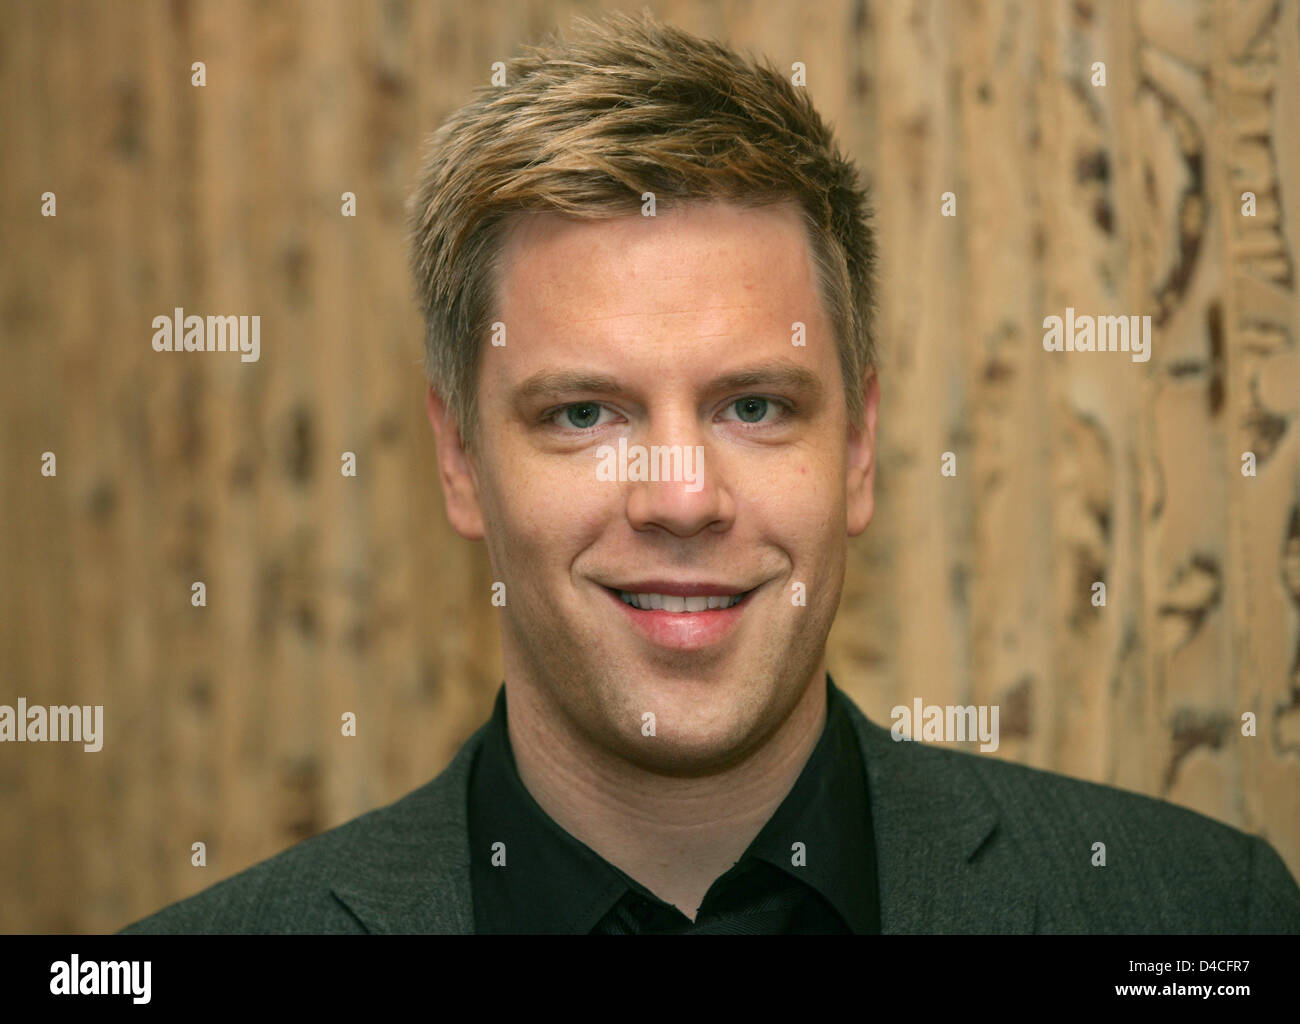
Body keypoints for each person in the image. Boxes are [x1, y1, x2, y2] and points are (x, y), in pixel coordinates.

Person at [120, 10, 1300, 935]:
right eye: (583, 412)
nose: (682, 495)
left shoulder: (1194, 915)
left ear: (855, 449)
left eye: (753, 405)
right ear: (459, 461)